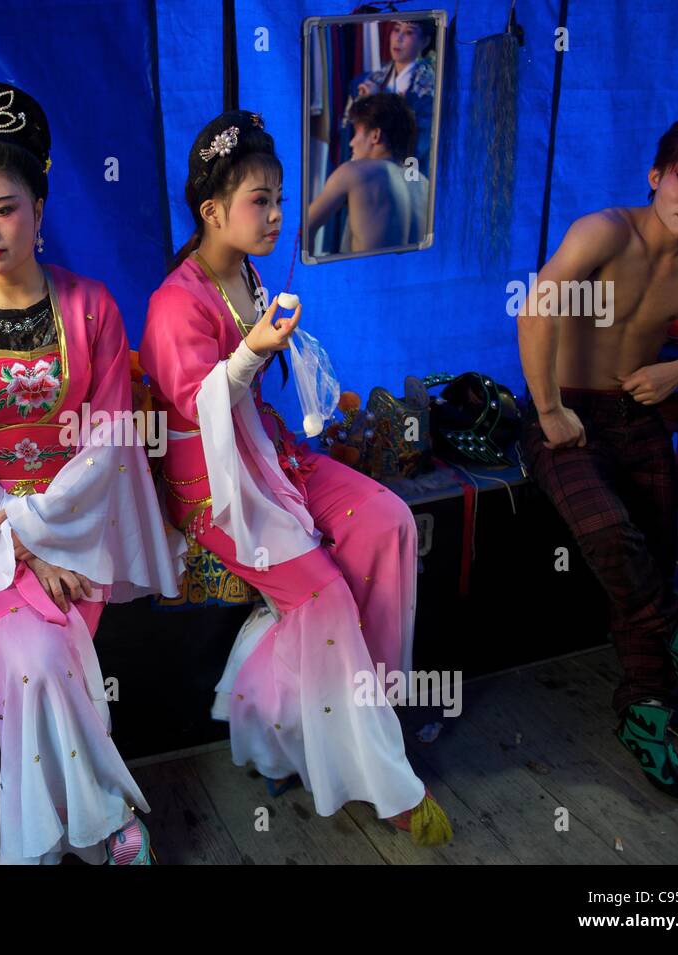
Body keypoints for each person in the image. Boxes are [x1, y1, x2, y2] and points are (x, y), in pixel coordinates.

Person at [138, 111, 451, 845]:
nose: (278, 215)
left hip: (271, 455)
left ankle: (358, 716)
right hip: (215, 483)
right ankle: (373, 769)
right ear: (212, 211)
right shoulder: (173, 301)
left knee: (389, 525)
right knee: (324, 594)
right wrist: (253, 347)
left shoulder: (246, 271)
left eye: (280, 198)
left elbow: (255, 391)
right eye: (260, 201)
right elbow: (196, 401)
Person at [0, 74, 185, 864]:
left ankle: (51, 835)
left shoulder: (92, 306)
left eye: (4, 208)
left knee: (47, 663)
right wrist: (23, 546)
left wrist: (55, 537)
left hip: (82, 527)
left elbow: (105, 441)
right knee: (33, 661)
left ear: (38, 207)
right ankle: (103, 824)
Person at [517, 112, 678, 801]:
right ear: (657, 177)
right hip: (565, 412)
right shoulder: (605, 231)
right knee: (608, 533)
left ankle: (645, 712)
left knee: (655, 551)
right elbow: (536, 310)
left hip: (640, 411)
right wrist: (547, 410)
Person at [309, 93, 429, 253]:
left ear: (375, 135)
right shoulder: (424, 184)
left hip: (361, 277)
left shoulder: (355, 171)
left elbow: (303, 229)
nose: (351, 143)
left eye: (356, 133)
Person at [341, 19, 436, 173]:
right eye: (396, 29)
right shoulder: (368, 80)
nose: (399, 38)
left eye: (409, 32)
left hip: (409, 171)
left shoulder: (429, 88)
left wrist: (378, 101)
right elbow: (351, 135)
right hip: (368, 170)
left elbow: (417, 145)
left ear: (425, 41)